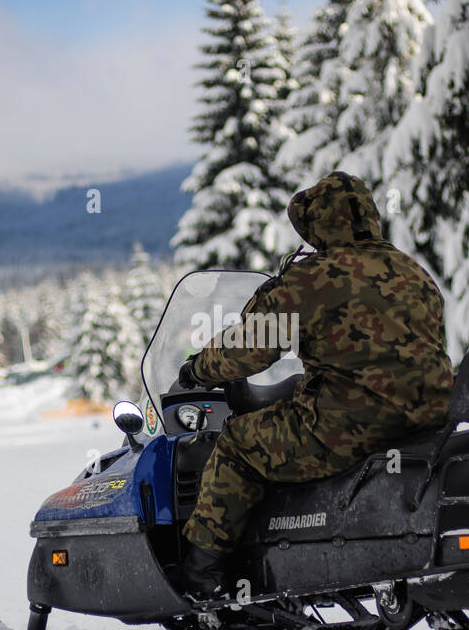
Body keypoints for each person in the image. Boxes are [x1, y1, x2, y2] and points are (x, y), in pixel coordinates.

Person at [176, 172, 454, 598]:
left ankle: (203, 576)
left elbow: (249, 348)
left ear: (318, 224)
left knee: (236, 443)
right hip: (426, 423)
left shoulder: (313, 279)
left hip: (348, 428)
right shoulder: (413, 271)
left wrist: (197, 370)